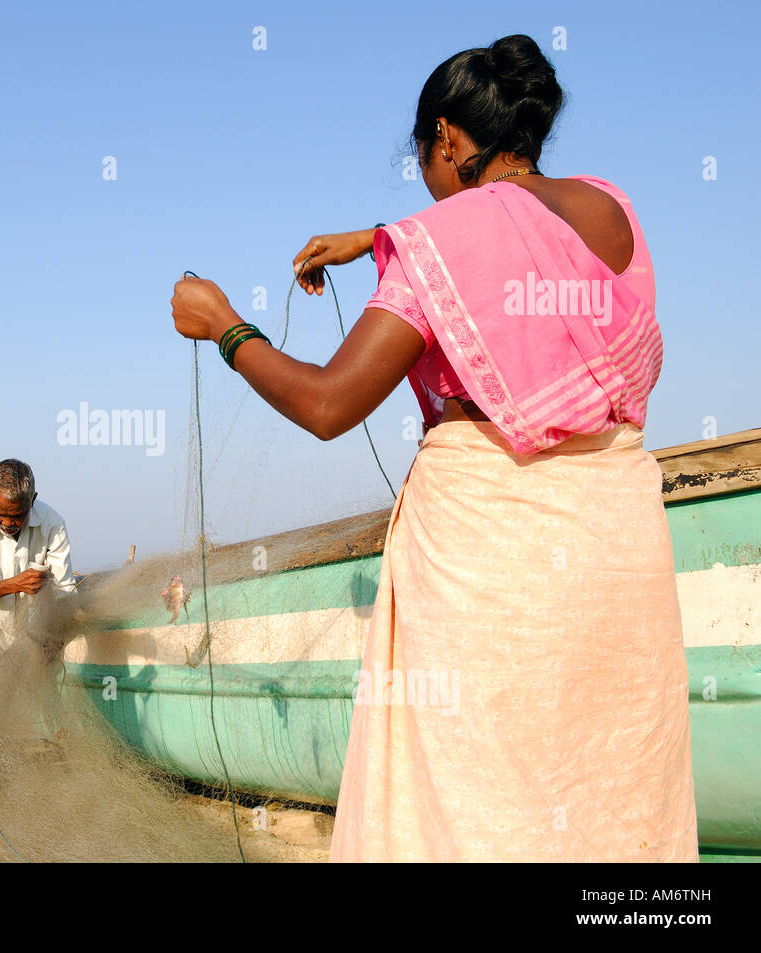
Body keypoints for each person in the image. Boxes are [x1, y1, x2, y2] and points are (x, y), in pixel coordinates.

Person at [169, 35, 695, 861]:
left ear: (446, 138)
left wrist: (224, 325)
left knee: (471, 803)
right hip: (618, 560)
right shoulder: (612, 209)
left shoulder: (440, 243)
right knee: (600, 791)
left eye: (425, 158)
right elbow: (525, 232)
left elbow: (327, 402)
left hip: (491, 571)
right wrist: (379, 236)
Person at [0, 459, 77, 662]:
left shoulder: (52, 523)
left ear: (33, 500)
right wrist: (16, 584)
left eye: (18, 516)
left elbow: (64, 588)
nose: (8, 523)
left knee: (41, 673)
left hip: (28, 620)